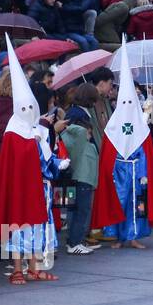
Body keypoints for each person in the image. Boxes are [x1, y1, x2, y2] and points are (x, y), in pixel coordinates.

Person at [0, 38, 67, 285]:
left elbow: (45, 155)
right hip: (20, 190)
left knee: (36, 229)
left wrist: (47, 149)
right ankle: (17, 269)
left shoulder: (37, 128)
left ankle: (34, 267)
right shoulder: (13, 132)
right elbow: (15, 164)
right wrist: (33, 143)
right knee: (19, 230)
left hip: (39, 188)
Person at [89, 49, 153, 249]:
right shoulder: (114, 126)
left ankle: (133, 236)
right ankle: (116, 236)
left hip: (137, 170)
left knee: (137, 203)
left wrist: (143, 172)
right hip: (118, 172)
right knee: (119, 201)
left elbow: (146, 150)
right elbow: (108, 153)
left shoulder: (140, 125)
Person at [58, 101, 101, 255]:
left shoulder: (76, 141)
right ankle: (74, 242)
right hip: (82, 180)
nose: (89, 136)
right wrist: (67, 125)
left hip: (83, 181)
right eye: (89, 132)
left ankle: (76, 240)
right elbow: (81, 132)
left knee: (78, 212)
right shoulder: (79, 140)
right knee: (81, 212)